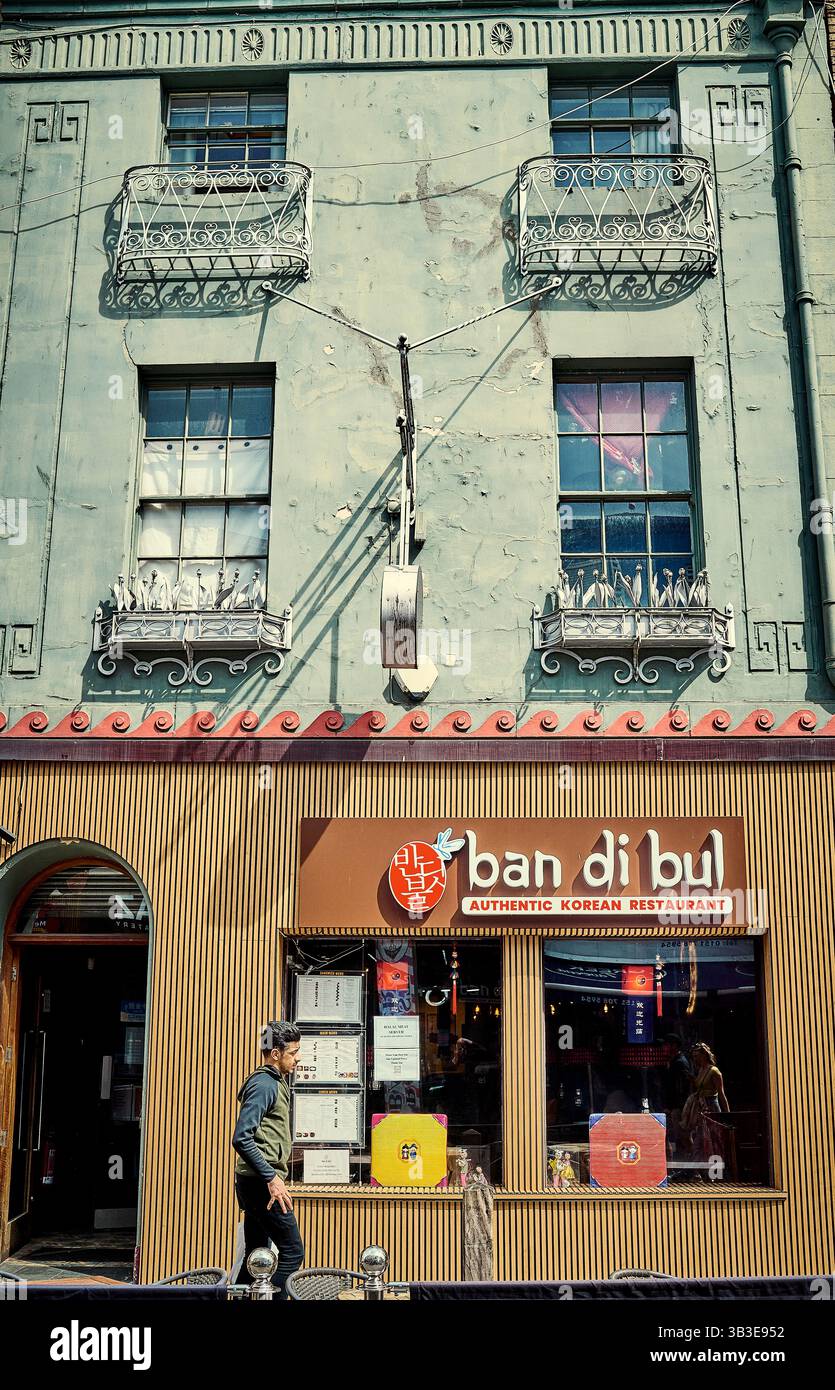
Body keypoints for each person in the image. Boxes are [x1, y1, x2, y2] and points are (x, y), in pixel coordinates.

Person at [232, 1020, 304, 1298]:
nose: (298, 1058)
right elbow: (241, 1137)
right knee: (292, 1250)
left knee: (256, 1253)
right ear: (276, 1053)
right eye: (293, 1052)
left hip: (254, 1181)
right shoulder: (264, 1085)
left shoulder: (272, 1082)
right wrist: (272, 1177)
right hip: (260, 1183)